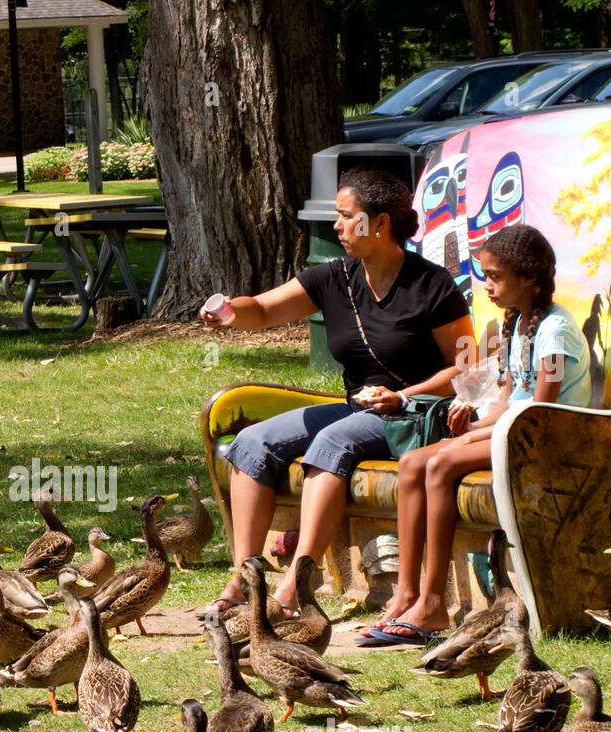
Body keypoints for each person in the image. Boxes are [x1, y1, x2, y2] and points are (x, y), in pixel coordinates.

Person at [200, 169, 474, 617]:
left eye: (346, 216)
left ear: (379, 223)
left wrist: (404, 395)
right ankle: (244, 579)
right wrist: (229, 312)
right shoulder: (333, 278)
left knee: (332, 440)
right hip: (358, 408)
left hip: (416, 413)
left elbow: (465, 367)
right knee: (251, 443)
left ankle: (294, 585)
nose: (336, 226)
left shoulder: (432, 286)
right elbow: (266, 308)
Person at [364, 224, 591, 644]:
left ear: (530, 278)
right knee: (414, 461)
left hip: (546, 440)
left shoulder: (554, 332)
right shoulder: (520, 323)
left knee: (439, 463)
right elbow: (511, 400)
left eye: (495, 276)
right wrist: (472, 425)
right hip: (516, 429)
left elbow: (538, 414)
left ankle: (433, 604)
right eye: (484, 274)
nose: (486, 285)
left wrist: (468, 439)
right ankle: (407, 592)